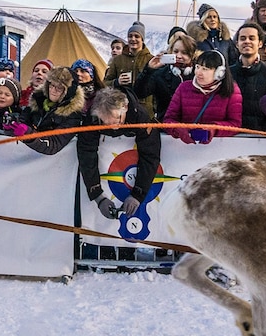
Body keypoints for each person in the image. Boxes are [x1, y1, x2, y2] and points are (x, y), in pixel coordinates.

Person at [78, 87, 161, 218]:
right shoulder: (93, 118)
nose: (114, 126)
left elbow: (150, 156)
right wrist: (97, 196)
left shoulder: (140, 116)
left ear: (126, 108)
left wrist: (138, 195)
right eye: (107, 122)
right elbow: (86, 154)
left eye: (117, 119)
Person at [163, 50, 243, 144]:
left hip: (220, 149)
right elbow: (168, 119)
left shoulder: (232, 91)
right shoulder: (183, 88)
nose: (198, 73)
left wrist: (214, 129)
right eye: (197, 67)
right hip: (185, 149)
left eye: (205, 69)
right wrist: (178, 129)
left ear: (219, 72)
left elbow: (235, 124)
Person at [13, 66, 86, 154]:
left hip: (57, 163)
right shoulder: (37, 100)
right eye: (52, 85)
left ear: (68, 92)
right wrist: (12, 126)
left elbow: (54, 144)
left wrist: (28, 133)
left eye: (59, 88)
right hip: (28, 157)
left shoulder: (73, 114)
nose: (53, 90)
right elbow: (22, 121)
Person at [230, 22, 266, 132]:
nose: (247, 41)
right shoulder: (227, 74)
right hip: (229, 138)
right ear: (237, 44)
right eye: (243, 38)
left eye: (252, 38)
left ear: (260, 43)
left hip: (259, 140)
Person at [135, 32, 197, 121]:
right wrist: (148, 70)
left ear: (192, 55)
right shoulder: (161, 73)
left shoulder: (198, 74)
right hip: (165, 126)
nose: (179, 56)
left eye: (184, 53)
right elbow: (139, 93)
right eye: (175, 51)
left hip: (192, 127)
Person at [103, 21, 155, 117]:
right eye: (130, 36)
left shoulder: (151, 60)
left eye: (136, 36)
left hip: (145, 111)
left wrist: (154, 109)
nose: (133, 39)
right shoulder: (117, 60)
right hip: (122, 110)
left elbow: (156, 88)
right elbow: (105, 83)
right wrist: (117, 82)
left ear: (142, 39)